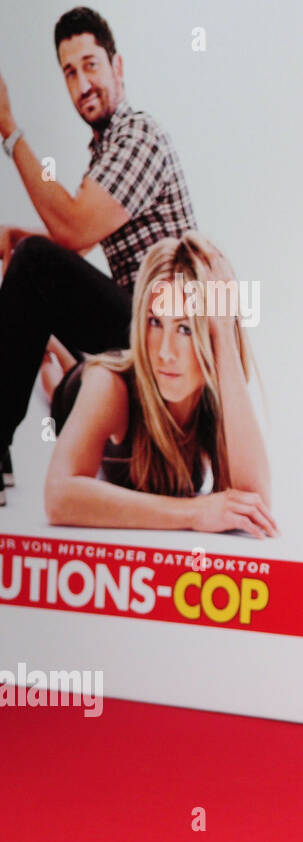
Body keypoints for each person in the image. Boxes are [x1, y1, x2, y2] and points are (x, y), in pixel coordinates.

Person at [0, 6, 198, 503]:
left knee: (37, 263)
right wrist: (22, 237)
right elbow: (76, 232)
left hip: (166, 332)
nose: (83, 83)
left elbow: (68, 227)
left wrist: (11, 131)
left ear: (118, 67)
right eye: (70, 72)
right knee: (34, 260)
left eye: (91, 64)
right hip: (137, 336)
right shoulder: (105, 150)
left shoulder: (137, 137)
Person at [44, 232, 277, 538]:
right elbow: (58, 498)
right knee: (53, 378)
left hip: (127, 372)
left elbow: (254, 503)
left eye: (184, 328)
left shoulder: (216, 394)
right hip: (84, 386)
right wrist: (194, 513)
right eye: (155, 322)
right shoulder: (109, 386)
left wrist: (223, 329)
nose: (165, 351)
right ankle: (47, 348)